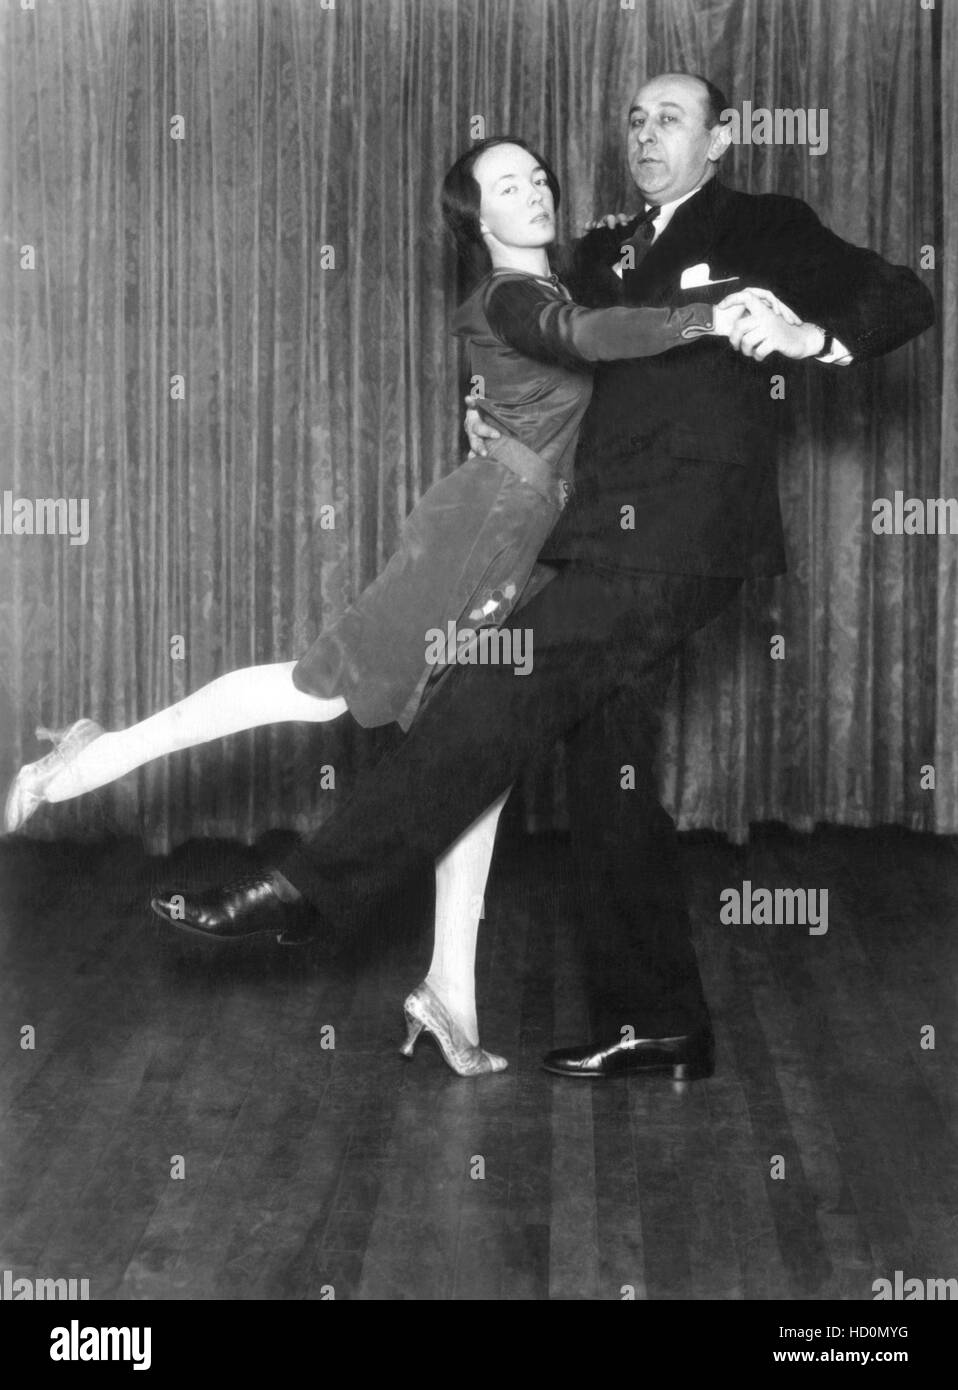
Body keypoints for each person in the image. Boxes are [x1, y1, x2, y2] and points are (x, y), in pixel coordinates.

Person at [149, 70, 933, 1087]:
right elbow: (552, 352)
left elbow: (900, 297)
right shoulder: (604, 250)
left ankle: (308, 887)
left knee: (496, 688)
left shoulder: (762, 225)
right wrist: (495, 414)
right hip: (592, 534)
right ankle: (659, 1023)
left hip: (685, 538)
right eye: (636, 118)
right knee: (612, 780)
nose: (647, 133)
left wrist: (805, 335)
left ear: (723, 136)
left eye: (673, 117)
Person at [6, 133, 751, 1076]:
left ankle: (450, 996)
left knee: (480, 750)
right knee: (322, 690)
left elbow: (578, 380)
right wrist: (708, 317)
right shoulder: (515, 298)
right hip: (480, 531)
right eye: (507, 186)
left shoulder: (560, 288)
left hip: (533, 540)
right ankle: (88, 761)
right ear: (475, 221)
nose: (534, 192)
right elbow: (586, 344)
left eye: (538, 179)